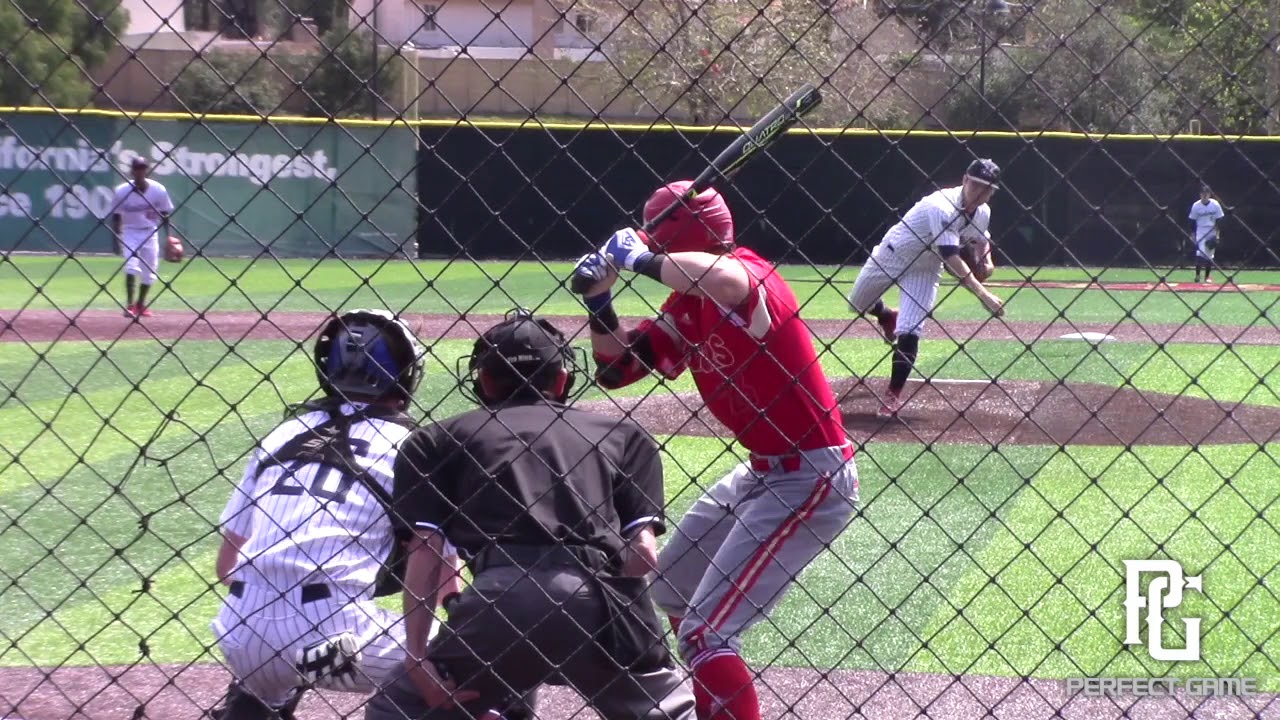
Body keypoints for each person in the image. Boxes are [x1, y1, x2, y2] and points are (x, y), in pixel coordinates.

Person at [571, 182, 860, 720]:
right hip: (762, 473)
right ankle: (717, 697)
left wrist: (636, 257)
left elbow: (727, 281)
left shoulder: (751, 274)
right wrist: (599, 300)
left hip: (813, 475)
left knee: (706, 632)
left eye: (653, 231)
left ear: (673, 235)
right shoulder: (686, 304)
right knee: (675, 594)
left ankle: (718, 674)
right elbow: (617, 369)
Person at [367, 309, 695, 720]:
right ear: (562, 379)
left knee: (398, 707)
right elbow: (643, 556)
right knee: (668, 711)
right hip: (604, 597)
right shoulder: (623, 435)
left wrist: (417, 658)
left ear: (484, 380)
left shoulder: (436, 439)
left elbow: (427, 549)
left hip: (501, 600)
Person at [209, 309, 459, 719]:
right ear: (408, 373)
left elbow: (226, 565)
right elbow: (440, 570)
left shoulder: (283, 433)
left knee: (260, 696)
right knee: (474, 666)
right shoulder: (412, 447)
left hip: (240, 631)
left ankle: (252, 704)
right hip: (340, 635)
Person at [846, 158, 1007, 417]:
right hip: (894, 253)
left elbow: (981, 238)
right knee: (856, 304)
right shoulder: (940, 205)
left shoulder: (983, 211)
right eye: (976, 185)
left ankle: (892, 396)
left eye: (987, 189)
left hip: (926, 268)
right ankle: (886, 315)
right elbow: (951, 256)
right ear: (965, 180)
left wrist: (986, 260)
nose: (980, 192)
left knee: (911, 330)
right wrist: (983, 294)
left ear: (992, 192)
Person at [109, 156, 174, 318]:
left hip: (150, 232)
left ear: (147, 170)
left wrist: (169, 238)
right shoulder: (122, 191)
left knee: (150, 271)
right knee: (131, 266)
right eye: (137, 168)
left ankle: (140, 305)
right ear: (132, 171)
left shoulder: (158, 190)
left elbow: (165, 214)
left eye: (143, 168)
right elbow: (116, 216)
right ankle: (130, 306)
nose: (140, 171)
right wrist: (117, 238)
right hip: (130, 231)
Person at [1188, 184, 1225, 284]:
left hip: (1212, 230)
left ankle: (1207, 277)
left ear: (1209, 194)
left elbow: (1219, 220)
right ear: (1200, 195)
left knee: (1209, 255)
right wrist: (1192, 234)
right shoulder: (1196, 206)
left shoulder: (1215, 204)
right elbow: (1192, 221)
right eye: (1202, 193)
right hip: (1201, 230)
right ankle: (1197, 275)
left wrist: (1217, 234)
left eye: (1206, 193)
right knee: (1200, 253)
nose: (1204, 195)